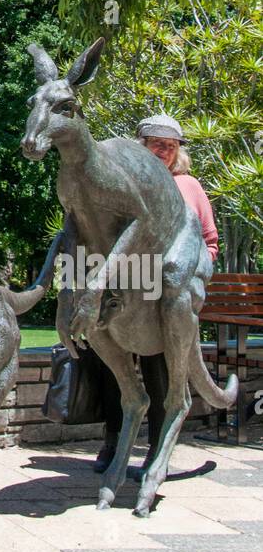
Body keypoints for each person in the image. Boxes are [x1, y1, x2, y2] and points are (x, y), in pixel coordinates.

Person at [92, 112, 219, 473]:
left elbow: (209, 241)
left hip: (165, 291)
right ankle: (113, 439)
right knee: (110, 363)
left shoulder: (188, 185)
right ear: (141, 147)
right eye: (156, 144)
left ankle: (156, 449)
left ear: (178, 152)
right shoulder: (123, 182)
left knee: (157, 366)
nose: (163, 151)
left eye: (170, 146)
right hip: (125, 286)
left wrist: (190, 272)